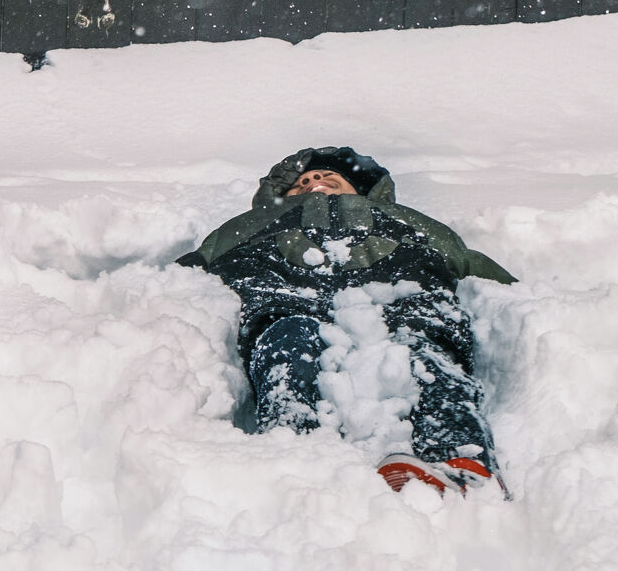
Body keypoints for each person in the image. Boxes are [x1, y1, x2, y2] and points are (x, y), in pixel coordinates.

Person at [177, 147, 516, 495]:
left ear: (357, 188)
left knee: (423, 354)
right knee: (288, 345)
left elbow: (467, 262)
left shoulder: (406, 218)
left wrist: (520, 299)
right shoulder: (243, 226)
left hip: (402, 296)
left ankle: (462, 459)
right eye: (303, 181)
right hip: (284, 298)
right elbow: (184, 274)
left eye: (327, 177)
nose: (314, 182)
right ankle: (296, 455)